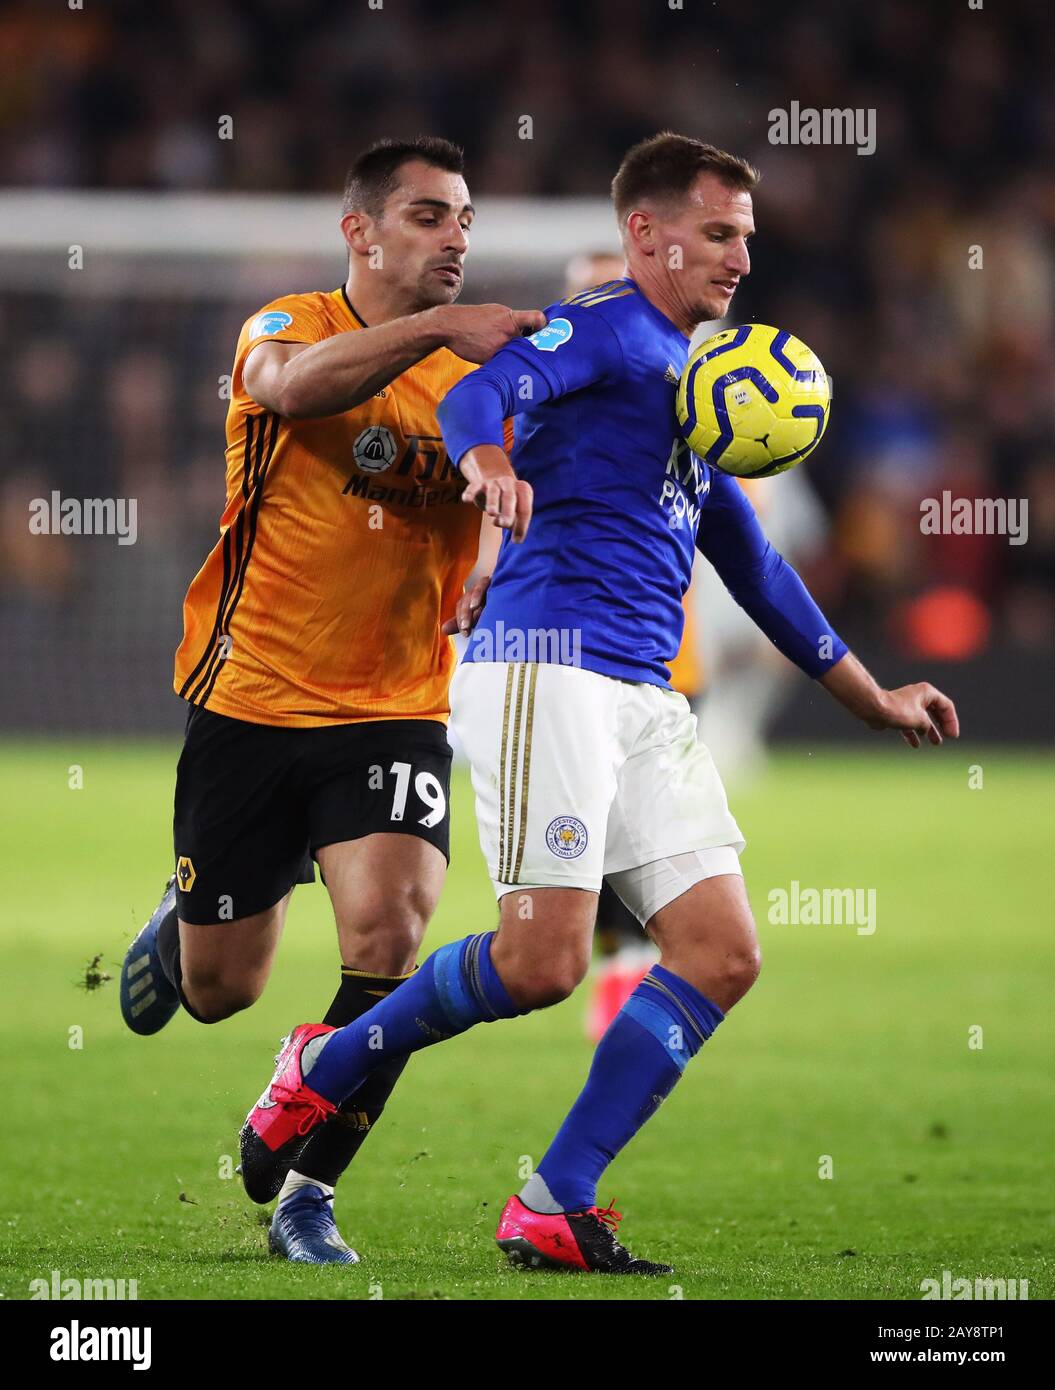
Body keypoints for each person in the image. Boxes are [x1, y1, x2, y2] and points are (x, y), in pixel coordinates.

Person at [238, 132, 959, 1276]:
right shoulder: (609, 325)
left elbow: (750, 559)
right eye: (717, 233)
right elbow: (484, 388)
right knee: (541, 966)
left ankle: (552, 1198)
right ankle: (319, 1071)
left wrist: (865, 694)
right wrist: (483, 463)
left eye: (746, 238)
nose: (737, 258)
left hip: (642, 695)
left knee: (720, 952)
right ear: (646, 233)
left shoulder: (696, 372)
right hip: (545, 668)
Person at [118, 136, 542, 1265]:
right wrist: (437, 331)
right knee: (220, 990)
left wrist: (497, 551)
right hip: (252, 698)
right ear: (358, 230)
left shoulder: (481, 383)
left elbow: (503, 487)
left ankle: (307, 1192)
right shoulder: (287, 324)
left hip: (397, 703)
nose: (455, 237)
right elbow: (292, 392)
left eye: (463, 219)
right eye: (426, 215)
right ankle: (185, 914)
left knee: (389, 939)